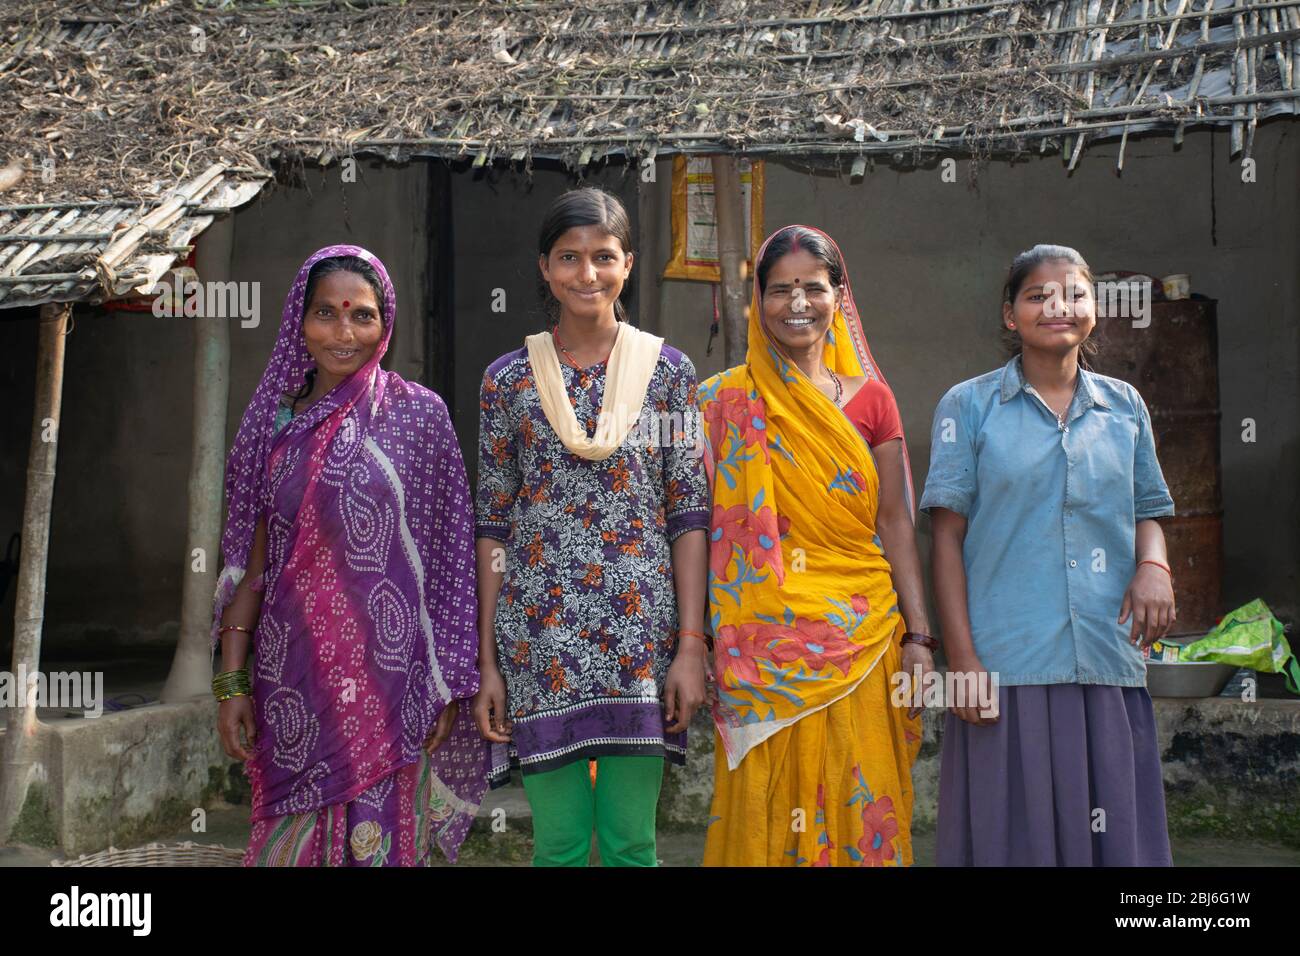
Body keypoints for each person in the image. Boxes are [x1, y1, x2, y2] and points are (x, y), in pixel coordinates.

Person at [211, 245, 488, 866]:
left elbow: (448, 562)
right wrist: (231, 682)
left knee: (381, 839)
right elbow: (251, 569)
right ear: (297, 323)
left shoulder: (420, 417)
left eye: (362, 315)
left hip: (394, 683)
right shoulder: (273, 427)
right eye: (326, 314)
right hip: (293, 681)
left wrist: (446, 683)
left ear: (385, 323)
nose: (344, 333)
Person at [472, 187, 710, 867]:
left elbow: (688, 512)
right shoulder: (507, 381)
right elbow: (492, 523)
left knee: (634, 843)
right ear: (544, 269)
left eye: (603, 256)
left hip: (640, 640)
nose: (587, 273)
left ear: (628, 264)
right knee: (562, 845)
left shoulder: (668, 374)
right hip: (539, 640)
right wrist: (488, 663)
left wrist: (690, 646)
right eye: (568, 257)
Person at [923, 243, 1176, 866]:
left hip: (1104, 657)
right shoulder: (969, 407)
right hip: (1007, 666)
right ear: (1010, 315)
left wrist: (1154, 566)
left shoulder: (1125, 407)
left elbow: (1149, 509)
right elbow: (945, 539)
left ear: (1095, 309)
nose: (1057, 306)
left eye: (1074, 293)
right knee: (1016, 840)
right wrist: (963, 661)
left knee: (1114, 841)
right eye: (1038, 295)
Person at [699, 224, 932, 867]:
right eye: (779, 290)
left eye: (812, 288)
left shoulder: (873, 401)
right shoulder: (723, 402)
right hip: (762, 640)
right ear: (759, 303)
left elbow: (894, 522)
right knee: (767, 808)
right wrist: (693, 638)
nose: (796, 303)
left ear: (839, 296)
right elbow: (698, 527)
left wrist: (919, 636)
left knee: (863, 794)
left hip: (863, 633)